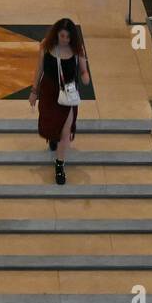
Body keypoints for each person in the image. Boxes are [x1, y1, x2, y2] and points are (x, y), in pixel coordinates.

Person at [29, 18, 90, 186]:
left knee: (66, 130)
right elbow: (39, 69)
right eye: (62, 36)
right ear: (57, 34)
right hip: (49, 92)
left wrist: (85, 77)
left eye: (68, 37)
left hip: (68, 95)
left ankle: (59, 166)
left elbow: (84, 71)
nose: (65, 40)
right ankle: (53, 139)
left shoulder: (77, 50)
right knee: (51, 123)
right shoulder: (46, 46)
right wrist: (34, 91)